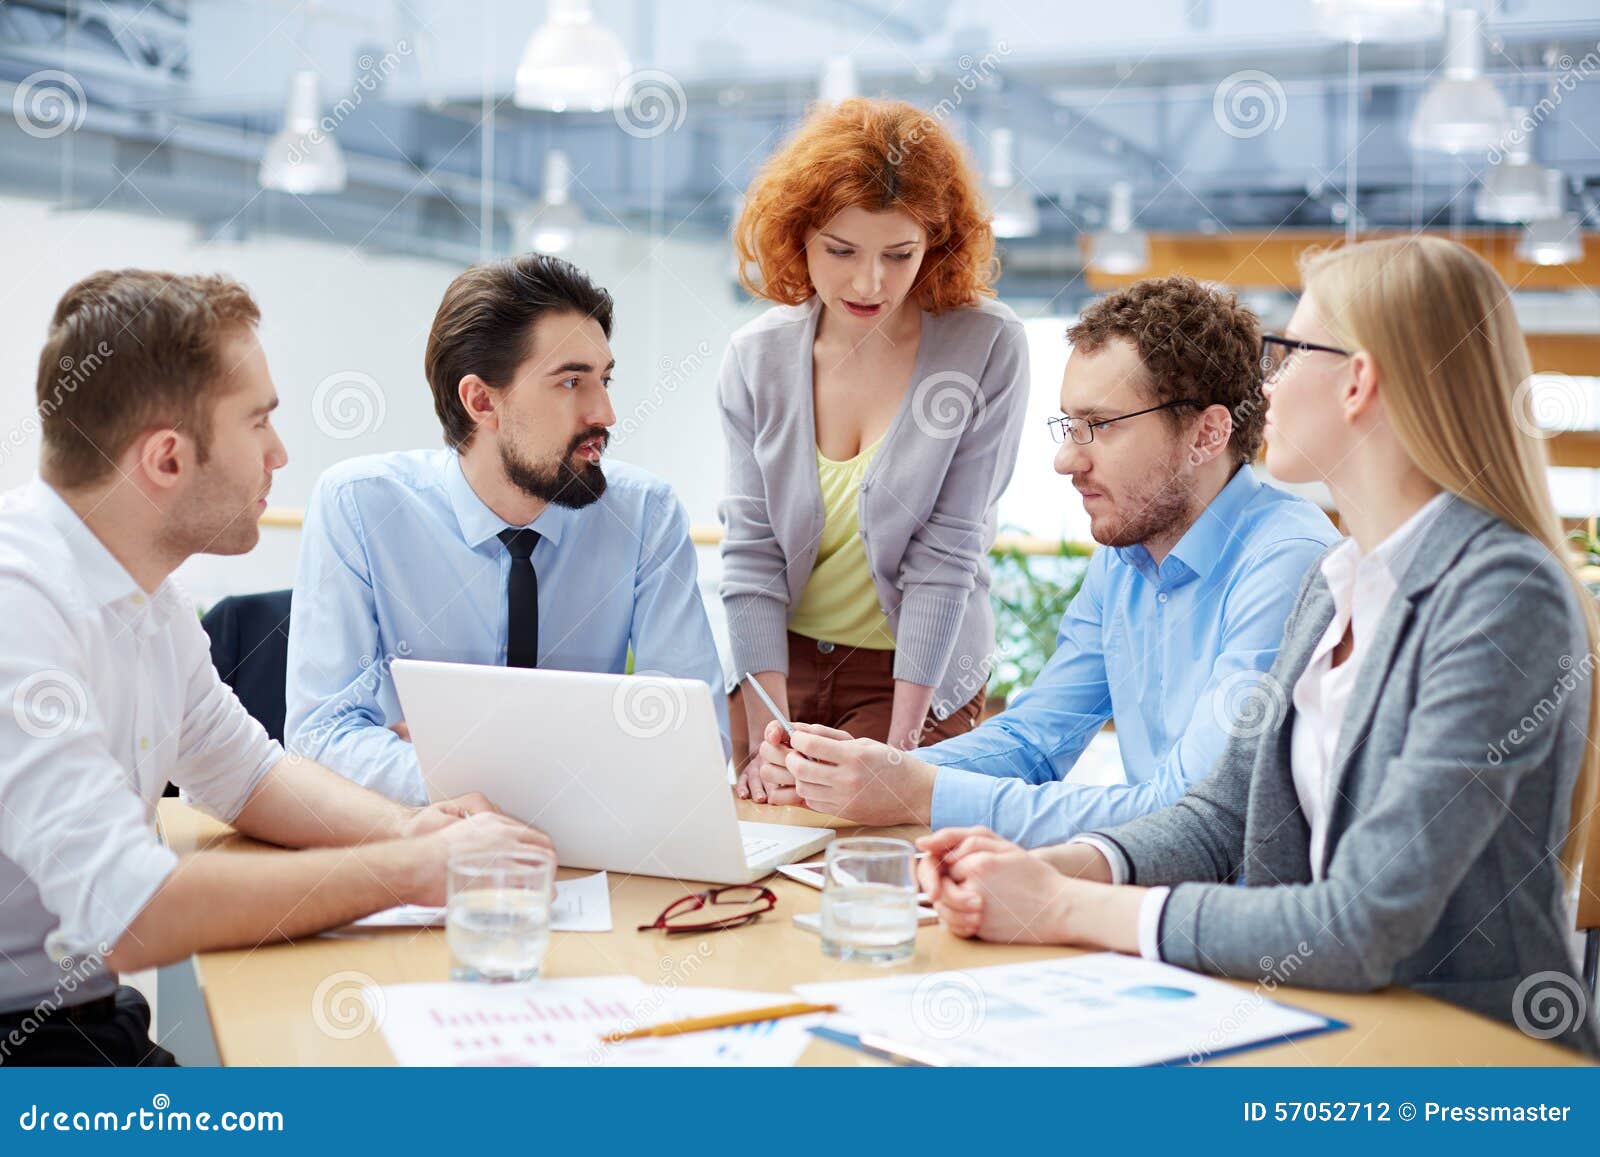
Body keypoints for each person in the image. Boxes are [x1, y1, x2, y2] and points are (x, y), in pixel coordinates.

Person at [917, 236, 1600, 1055]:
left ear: (1357, 381)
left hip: (1461, 1058)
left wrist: (1066, 907)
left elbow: (1364, 917)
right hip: (1318, 1021)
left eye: (1287, 353)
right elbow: (1218, 815)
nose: (1263, 386)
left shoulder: (1501, 594)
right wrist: (1053, 868)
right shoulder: (1338, 580)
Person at [0, 270, 550, 1066]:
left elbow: (248, 773)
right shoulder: (20, 603)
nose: (280, 453)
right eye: (258, 422)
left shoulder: (145, 599)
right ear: (166, 458)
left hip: (82, 1019)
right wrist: (413, 868)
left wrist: (412, 826)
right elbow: (128, 910)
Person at [757, 275, 1337, 843]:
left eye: (1100, 426)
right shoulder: (1126, 555)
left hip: (1230, 916)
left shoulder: (1288, 563)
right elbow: (1036, 739)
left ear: (1208, 435)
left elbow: (1189, 812)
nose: (1066, 460)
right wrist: (860, 769)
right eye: (1069, 425)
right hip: (1143, 889)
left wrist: (921, 791)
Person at [287, 254, 727, 804]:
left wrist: (440, 766)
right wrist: (570, 770)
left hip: (598, 850)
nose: (606, 412)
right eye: (571, 381)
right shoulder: (359, 505)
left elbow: (692, 739)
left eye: (604, 379)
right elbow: (321, 737)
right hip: (425, 847)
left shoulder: (645, 515)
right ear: (481, 401)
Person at [721, 96, 1030, 800]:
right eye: (842, 251)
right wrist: (768, 731)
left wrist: (901, 752)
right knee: (768, 837)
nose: (871, 283)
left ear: (935, 243)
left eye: (899, 254)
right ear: (798, 237)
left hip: (915, 670)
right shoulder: (756, 357)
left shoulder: (986, 345)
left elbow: (947, 552)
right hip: (782, 665)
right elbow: (752, 555)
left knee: (873, 843)